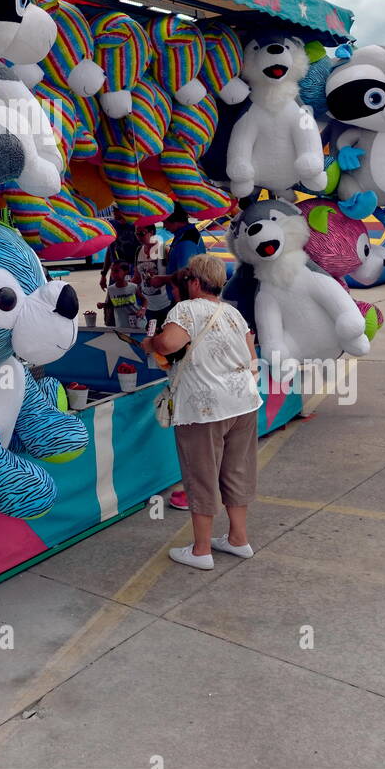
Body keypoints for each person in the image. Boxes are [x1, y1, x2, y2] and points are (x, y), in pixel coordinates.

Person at [143, 253, 261, 570]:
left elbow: (168, 344)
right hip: (244, 404)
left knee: (202, 475)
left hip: (204, 408)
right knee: (237, 470)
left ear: (194, 282)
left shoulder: (186, 309)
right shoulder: (233, 314)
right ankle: (238, 539)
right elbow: (252, 361)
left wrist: (151, 343)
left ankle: (201, 550)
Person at [133, 225, 170, 335]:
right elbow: (137, 278)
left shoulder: (163, 249)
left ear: (152, 232)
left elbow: (174, 275)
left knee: (165, 337)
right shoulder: (138, 251)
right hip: (148, 307)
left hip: (166, 304)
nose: (138, 237)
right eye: (136, 234)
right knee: (151, 337)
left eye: (142, 233)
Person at [98, 206, 141, 293]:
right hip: (116, 270)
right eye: (114, 210)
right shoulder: (112, 225)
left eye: (116, 210)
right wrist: (104, 275)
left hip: (133, 270)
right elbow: (110, 251)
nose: (114, 213)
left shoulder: (137, 226)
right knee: (114, 301)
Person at [104, 260, 146, 331]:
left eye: (116, 271)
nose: (113, 273)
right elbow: (110, 304)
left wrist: (142, 310)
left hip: (138, 324)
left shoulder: (133, 287)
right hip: (121, 326)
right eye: (112, 271)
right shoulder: (110, 289)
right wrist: (103, 305)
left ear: (126, 272)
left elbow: (145, 300)